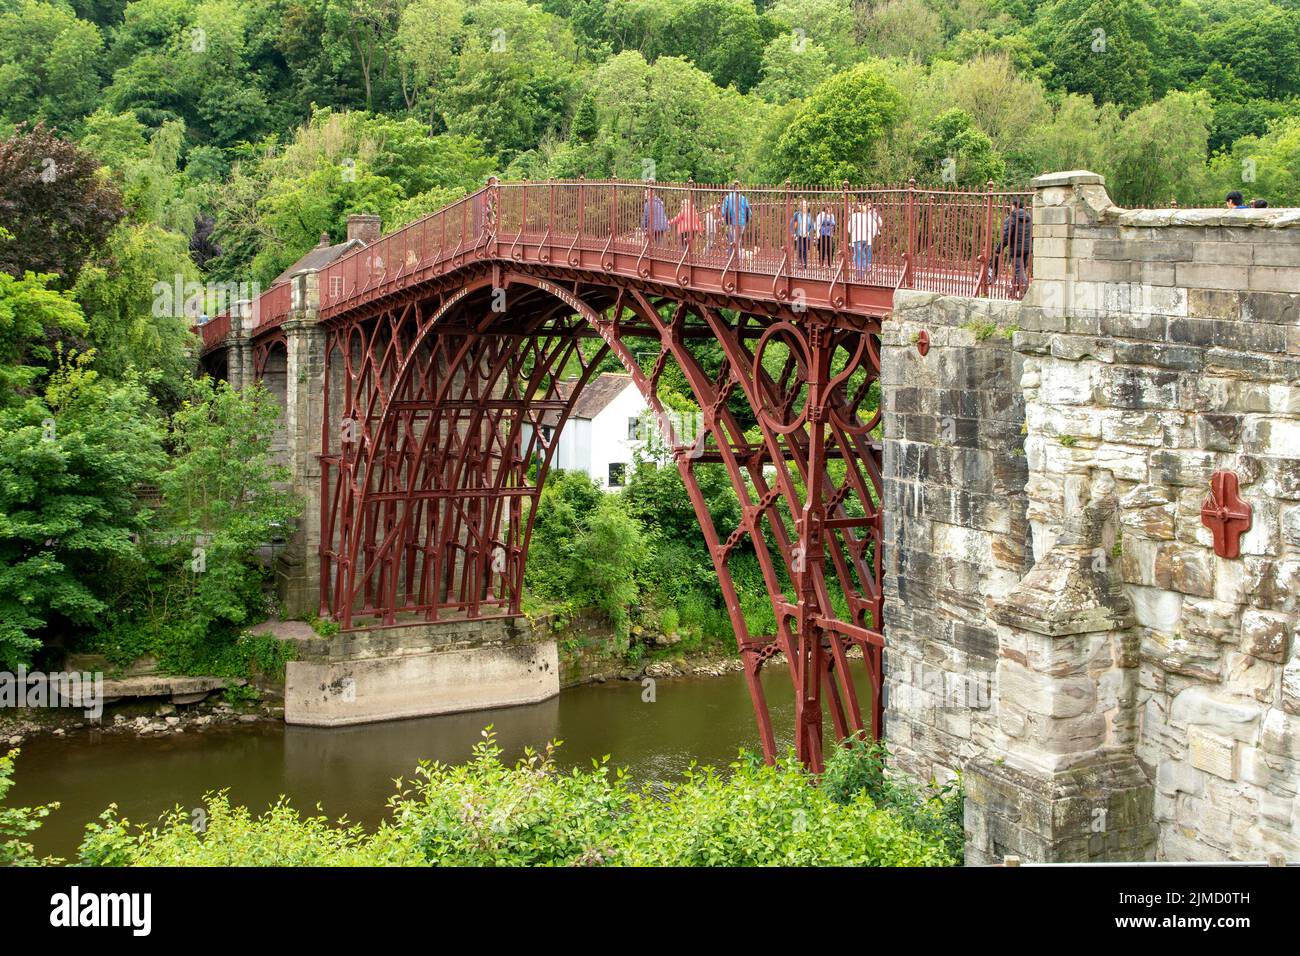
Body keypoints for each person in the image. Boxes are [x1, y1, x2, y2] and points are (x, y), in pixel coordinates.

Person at [994, 197, 1032, 293]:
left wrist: (999, 249)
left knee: (1019, 270)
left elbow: (1006, 236)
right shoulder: (1029, 218)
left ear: (1014, 206)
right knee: (1020, 269)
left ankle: (1027, 292)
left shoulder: (1012, 218)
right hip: (1027, 248)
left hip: (1016, 249)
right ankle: (1014, 289)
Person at [847, 201, 881, 277]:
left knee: (859, 255)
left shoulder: (854, 216)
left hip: (857, 238)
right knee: (861, 254)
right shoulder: (867, 216)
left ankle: (860, 273)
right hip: (866, 238)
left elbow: (849, 229)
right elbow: (873, 226)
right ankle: (866, 267)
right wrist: (872, 235)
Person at [721, 184, 751, 252]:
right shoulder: (743, 198)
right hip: (742, 222)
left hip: (732, 222)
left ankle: (735, 258)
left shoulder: (727, 198)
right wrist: (746, 220)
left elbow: (723, 211)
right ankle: (736, 257)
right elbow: (749, 212)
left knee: (734, 241)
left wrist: (724, 219)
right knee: (738, 239)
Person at [789, 199, 814, 268]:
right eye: (803, 205)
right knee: (800, 248)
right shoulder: (797, 214)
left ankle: (805, 264)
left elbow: (812, 226)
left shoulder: (809, 216)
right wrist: (792, 232)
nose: (804, 207)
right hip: (799, 235)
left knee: (805, 250)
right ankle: (800, 262)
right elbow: (791, 224)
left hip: (806, 235)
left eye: (805, 205)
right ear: (801, 206)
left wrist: (809, 233)